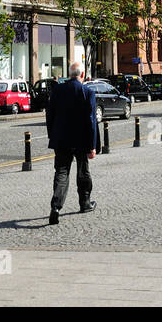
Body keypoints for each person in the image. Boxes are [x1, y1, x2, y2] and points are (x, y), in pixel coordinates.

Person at [45, 62, 100, 225]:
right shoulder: (87, 92)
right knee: (83, 171)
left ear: (69, 75)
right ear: (82, 75)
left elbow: (50, 115)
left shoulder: (57, 90)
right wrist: (93, 145)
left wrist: (52, 136)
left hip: (61, 139)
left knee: (61, 173)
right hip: (81, 139)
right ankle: (85, 203)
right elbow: (92, 121)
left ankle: (56, 206)